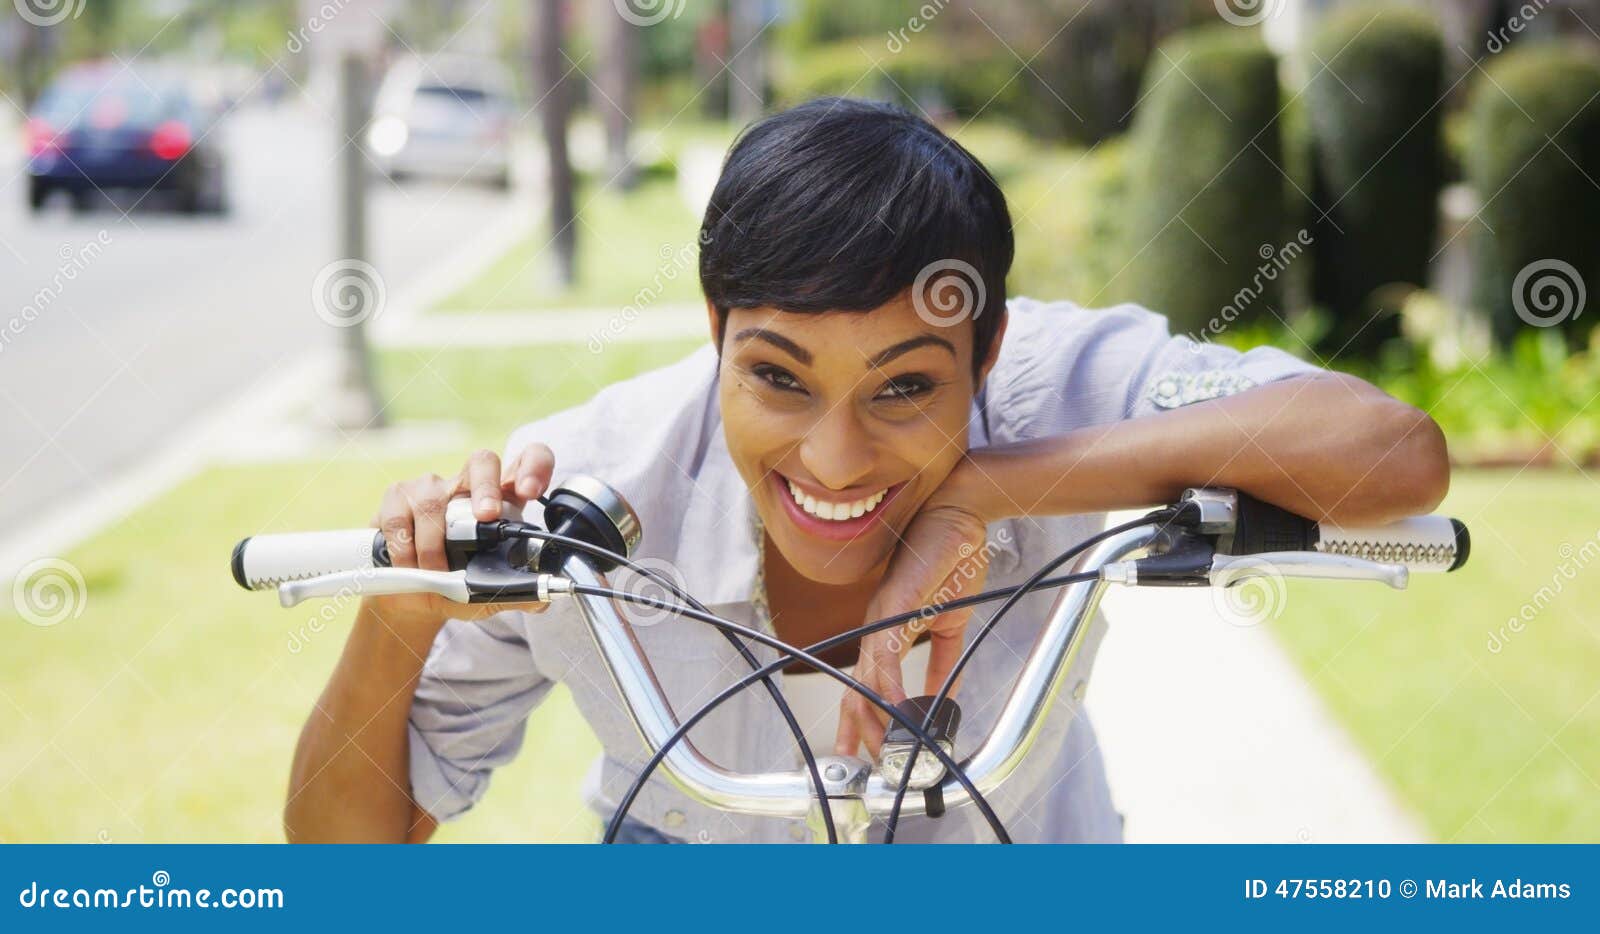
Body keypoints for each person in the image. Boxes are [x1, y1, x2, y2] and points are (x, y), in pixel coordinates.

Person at [284, 98, 1449, 843]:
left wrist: (989, 486)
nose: (834, 457)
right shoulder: (589, 483)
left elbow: (1394, 454)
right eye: (779, 378)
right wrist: (403, 615)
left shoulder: (1049, 383)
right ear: (714, 332)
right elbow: (346, 867)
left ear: (984, 350)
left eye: (904, 387)